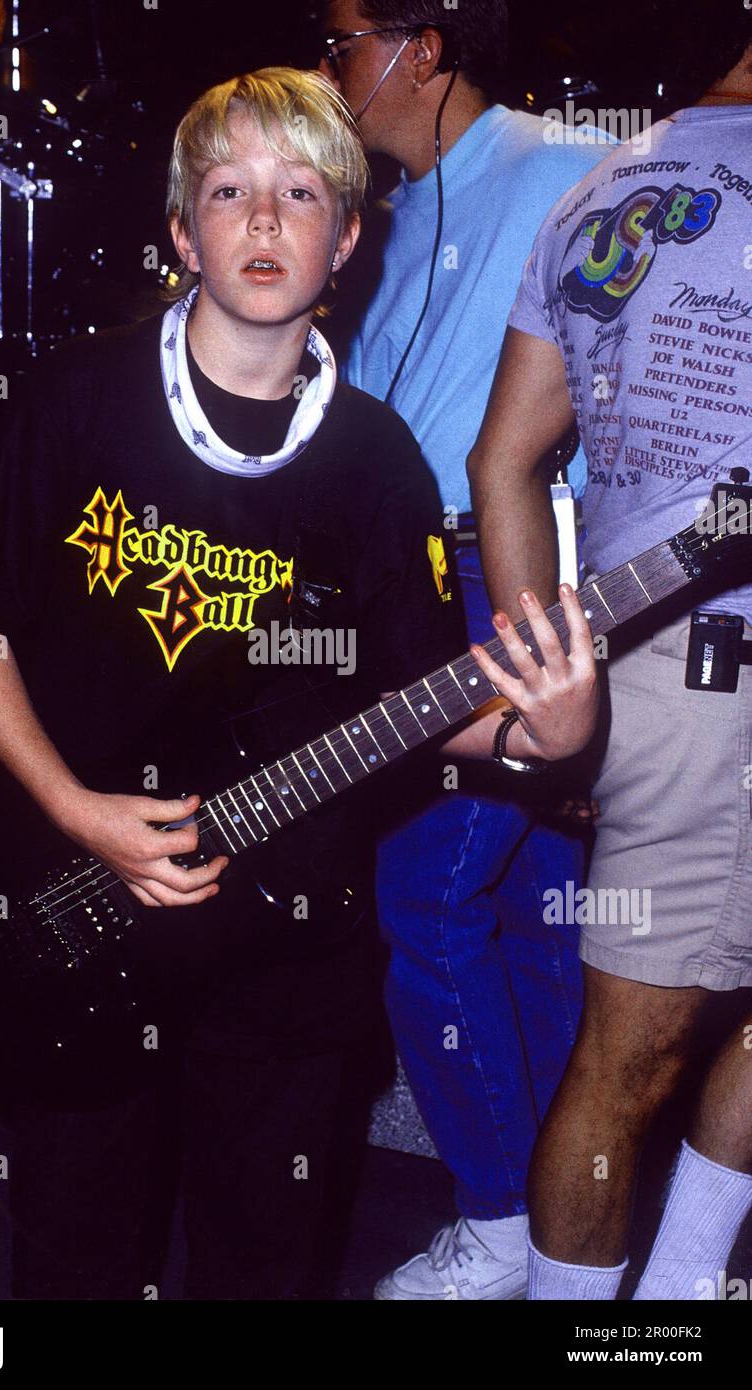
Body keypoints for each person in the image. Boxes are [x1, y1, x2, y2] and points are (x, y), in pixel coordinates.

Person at [0, 67, 599, 1300]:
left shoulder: (379, 465)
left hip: (284, 939)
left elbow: (417, 704)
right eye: (229, 192)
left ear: (348, 237)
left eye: (302, 194)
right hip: (67, 892)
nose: (265, 223)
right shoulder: (83, 400)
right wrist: (80, 813)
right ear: (183, 228)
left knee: (266, 1258)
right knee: (76, 1243)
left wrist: (528, 738)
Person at [316, 0, 614, 1300]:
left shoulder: (565, 166)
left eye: (341, 40)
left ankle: (498, 1217)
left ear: (421, 48)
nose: (331, 70)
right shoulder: (388, 214)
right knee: (539, 910)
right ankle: (561, 1225)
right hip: (423, 588)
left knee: (428, 903)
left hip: (525, 579)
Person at [468, 8, 752, 1300]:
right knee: (626, 1064)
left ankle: (685, 1282)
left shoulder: (609, 176)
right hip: (719, 689)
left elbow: (505, 457)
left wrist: (554, 697)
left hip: (642, 664)